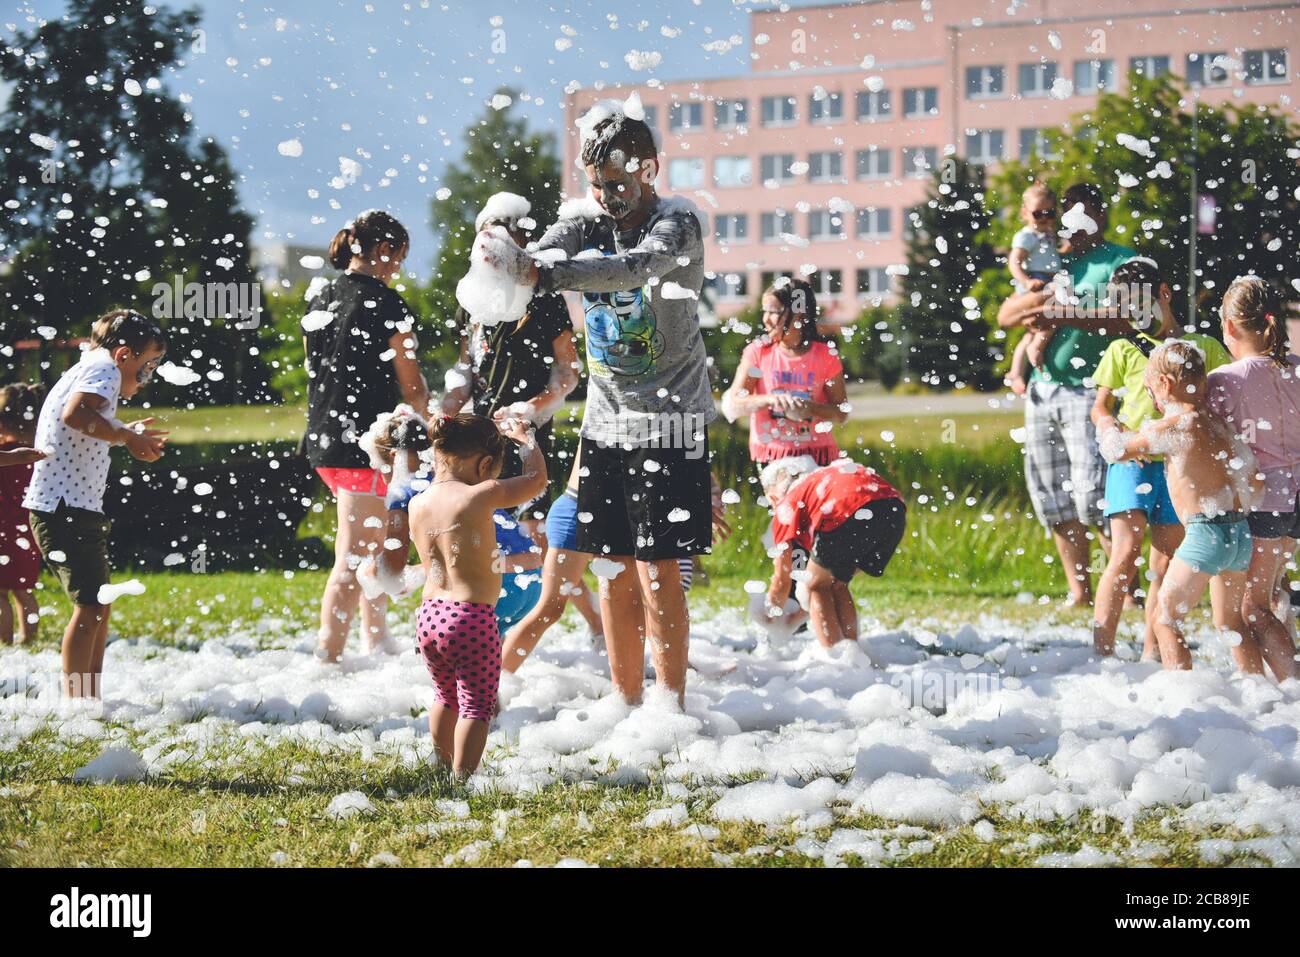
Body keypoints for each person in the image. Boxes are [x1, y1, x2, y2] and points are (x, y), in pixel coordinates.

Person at [479, 97, 715, 705]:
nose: (607, 196)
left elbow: (634, 269)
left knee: (658, 570)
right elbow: (547, 254)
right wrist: (502, 254)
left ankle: (670, 704)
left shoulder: (678, 223)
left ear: (649, 169)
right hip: (606, 421)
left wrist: (540, 275)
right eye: (596, 185)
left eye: (616, 183)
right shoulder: (586, 221)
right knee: (610, 568)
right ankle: (627, 700)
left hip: (671, 421)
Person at [997, 182, 1135, 606]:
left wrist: (1065, 314)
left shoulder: (1119, 261)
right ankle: (1080, 591)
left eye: (1082, 213)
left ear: (1101, 215)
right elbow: (1006, 315)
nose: (1069, 223)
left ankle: (1125, 593)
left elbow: (1129, 317)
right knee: (1052, 496)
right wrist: (1042, 306)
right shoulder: (1050, 258)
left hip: (1090, 392)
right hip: (1043, 393)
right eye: (1064, 214)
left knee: (1094, 496)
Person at [304, 209, 431, 663]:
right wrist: (430, 425)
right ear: (383, 250)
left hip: (323, 439)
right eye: (398, 257)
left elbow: (316, 370)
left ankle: (375, 641)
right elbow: (412, 384)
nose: (398, 267)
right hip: (365, 446)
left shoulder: (319, 297)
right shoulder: (389, 304)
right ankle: (327, 658)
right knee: (355, 555)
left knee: (372, 546)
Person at [1089, 258, 1232, 659]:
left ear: (1164, 294)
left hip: (1180, 472)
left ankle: (1153, 653)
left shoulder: (1202, 349)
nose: (1133, 315)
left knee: (1166, 562)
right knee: (1125, 551)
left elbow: (1225, 406)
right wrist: (1110, 430)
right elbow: (1100, 407)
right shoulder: (1121, 348)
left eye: (1138, 304)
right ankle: (1101, 655)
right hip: (1131, 463)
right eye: (1123, 307)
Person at [24, 310, 168, 698]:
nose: (147, 377)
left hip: (71, 507)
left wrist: (125, 431)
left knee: (99, 604)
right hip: (63, 508)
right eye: (147, 365)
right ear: (124, 355)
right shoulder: (103, 370)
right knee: (90, 605)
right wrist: (124, 438)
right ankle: (78, 702)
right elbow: (75, 416)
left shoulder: (90, 367)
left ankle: (89, 696)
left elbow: (85, 419)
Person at [1100, 340, 1262, 671]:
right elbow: (1255, 481)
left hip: (1205, 534)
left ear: (1165, 383)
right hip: (1238, 532)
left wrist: (1108, 426)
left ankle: (1184, 698)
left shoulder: (1174, 426)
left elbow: (1117, 451)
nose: (1151, 399)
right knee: (1231, 623)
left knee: (1164, 617)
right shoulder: (1218, 424)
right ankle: (1260, 693)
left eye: (1149, 389)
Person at [409, 412, 548, 778]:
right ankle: (462, 778)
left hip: (428, 616)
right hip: (470, 619)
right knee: (477, 707)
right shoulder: (478, 495)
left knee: (445, 698)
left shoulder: (417, 503)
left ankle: (440, 767)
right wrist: (526, 440)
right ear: (485, 463)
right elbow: (537, 481)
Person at [1208, 276, 1300, 680]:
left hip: (1263, 502)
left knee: (1253, 608)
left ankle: (1293, 691)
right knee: (1276, 592)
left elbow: (1198, 434)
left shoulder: (1227, 379)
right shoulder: (1296, 369)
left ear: (1229, 327)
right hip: (1294, 501)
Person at [761, 455, 906, 649]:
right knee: (836, 583)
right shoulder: (823, 478)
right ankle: (852, 652)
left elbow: (782, 580)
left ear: (772, 497)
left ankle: (835, 659)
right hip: (893, 510)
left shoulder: (786, 503)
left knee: (816, 586)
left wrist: (768, 617)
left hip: (849, 509)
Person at [721, 276, 848, 466]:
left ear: (799, 315)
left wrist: (810, 408)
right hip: (772, 457)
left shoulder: (825, 356)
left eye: (774, 312)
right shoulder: (758, 352)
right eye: (765, 311)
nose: (765, 319)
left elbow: (841, 412)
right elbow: (734, 401)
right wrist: (769, 400)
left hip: (817, 455)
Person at [1005, 183, 1064, 395]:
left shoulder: (1047, 234)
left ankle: (1016, 372)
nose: (1045, 219)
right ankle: (1038, 346)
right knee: (1060, 308)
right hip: (1036, 282)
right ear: (1025, 213)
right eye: (1038, 214)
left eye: (1049, 213)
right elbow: (1014, 262)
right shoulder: (1026, 235)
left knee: (1029, 334)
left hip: (1047, 280)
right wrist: (1026, 282)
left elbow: (1052, 255)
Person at [0, 383, 46, 644]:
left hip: (1, 527)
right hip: (29, 529)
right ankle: (30, 641)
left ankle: (5, 643)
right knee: (24, 591)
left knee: (0, 593)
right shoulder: (37, 454)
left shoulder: (4, 454)